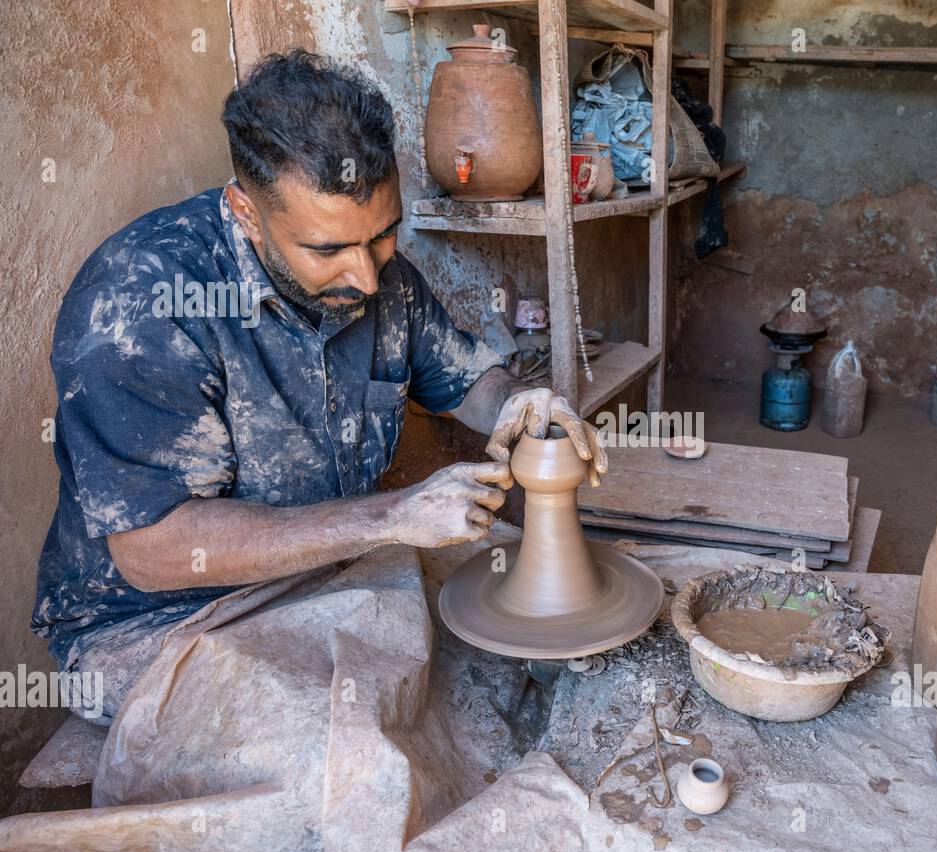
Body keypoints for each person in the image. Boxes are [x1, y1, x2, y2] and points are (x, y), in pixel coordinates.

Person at [32, 49, 605, 721]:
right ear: (246, 214)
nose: (366, 277)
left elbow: (464, 379)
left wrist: (516, 402)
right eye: (328, 251)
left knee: (490, 665)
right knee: (349, 743)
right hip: (157, 621)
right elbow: (152, 551)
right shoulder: (141, 305)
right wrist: (392, 517)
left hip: (320, 568)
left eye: (383, 236)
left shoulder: (381, 277)